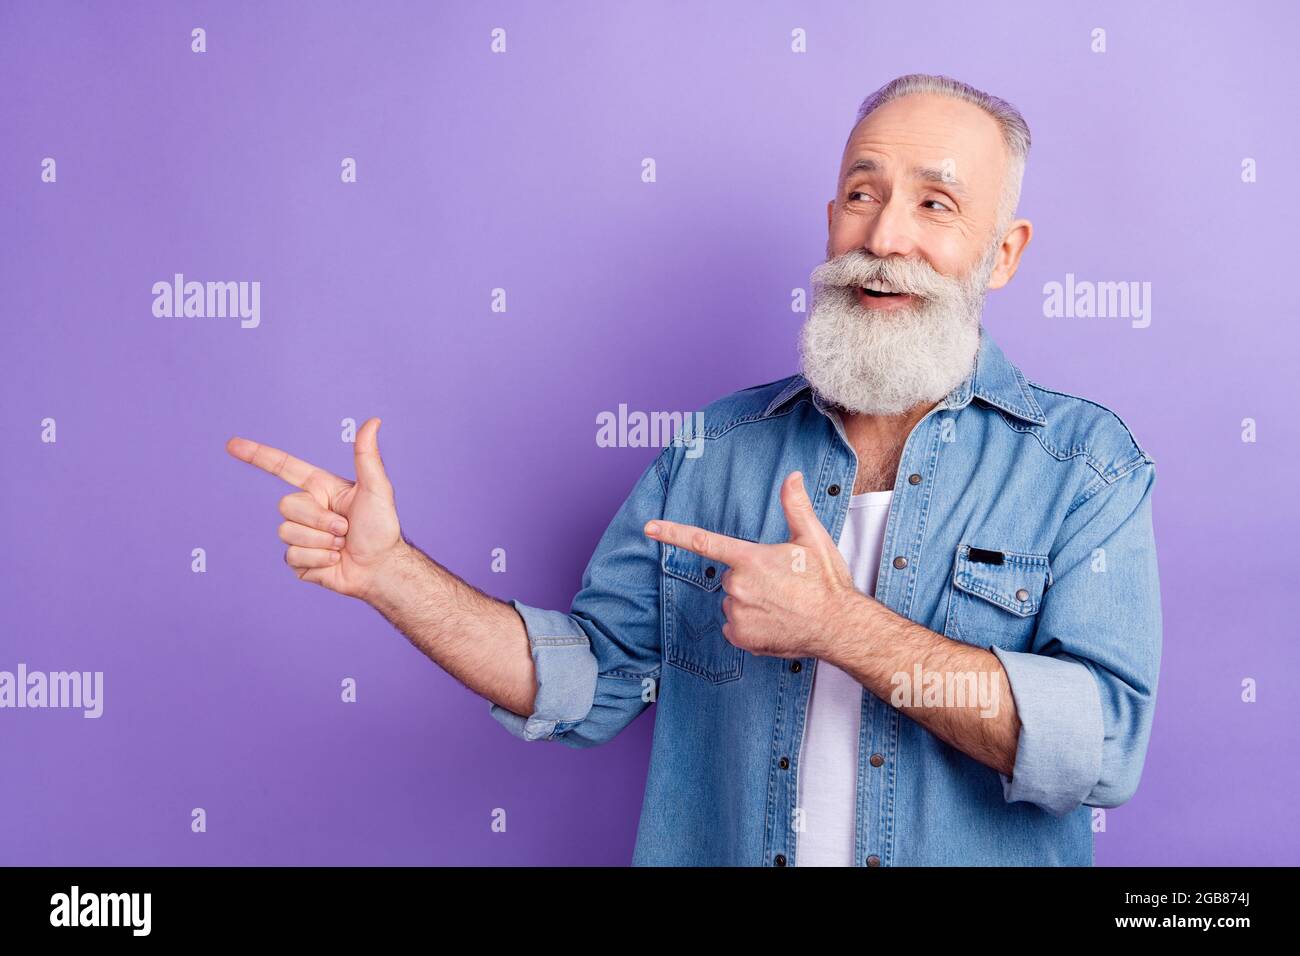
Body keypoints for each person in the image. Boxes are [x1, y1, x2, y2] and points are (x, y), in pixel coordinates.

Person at [227, 74, 1162, 866]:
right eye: (861, 193)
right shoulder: (716, 445)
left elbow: (1102, 746)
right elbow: (590, 680)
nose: (884, 240)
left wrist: (842, 628)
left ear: (1003, 254)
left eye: (936, 204)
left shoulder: (1085, 467)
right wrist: (393, 576)